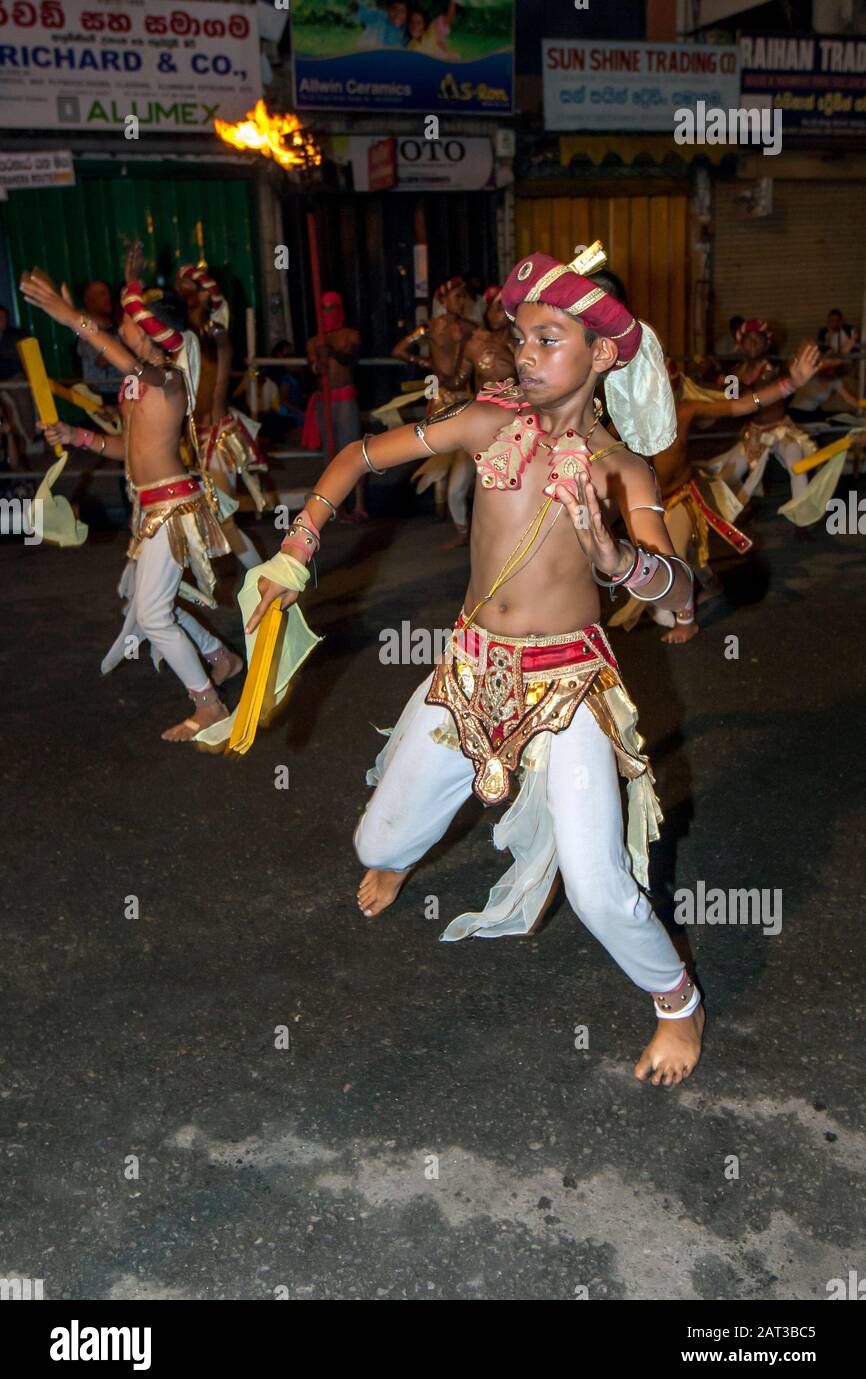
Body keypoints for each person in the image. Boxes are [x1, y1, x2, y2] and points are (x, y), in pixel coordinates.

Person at [246, 242, 707, 1087]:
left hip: (567, 687)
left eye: (548, 340)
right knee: (373, 843)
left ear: (603, 353)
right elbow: (355, 459)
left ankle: (677, 1003)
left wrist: (615, 557)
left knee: (598, 887)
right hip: (466, 668)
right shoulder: (487, 422)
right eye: (520, 338)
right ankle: (401, 849)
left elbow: (680, 598)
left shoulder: (621, 470)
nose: (525, 357)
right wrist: (297, 547)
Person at [20, 246, 242, 741]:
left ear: (150, 335)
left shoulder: (168, 380)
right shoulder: (135, 387)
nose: (119, 327)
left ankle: (209, 704)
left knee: (153, 614)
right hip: (150, 507)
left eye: (128, 323)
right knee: (142, 602)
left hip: (172, 508)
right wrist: (78, 438)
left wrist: (69, 316)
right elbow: (129, 448)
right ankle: (218, 656)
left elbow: (113, 351)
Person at [610, 344, 821, 643]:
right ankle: (712, 585)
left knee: (672, 554)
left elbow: (745, 404)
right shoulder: (625, 419)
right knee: (695, 559)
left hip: (683, 496)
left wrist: (792, 383)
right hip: (649, 503)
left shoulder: (685, 412)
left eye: (665, 386)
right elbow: (596, 443)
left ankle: (687, 622)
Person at [175, 262, 265, 569]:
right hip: (189, 440)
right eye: (183, 291)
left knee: (225, 521)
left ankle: (266, 584)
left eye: (193, 291)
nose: (187, 295)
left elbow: (215, 305)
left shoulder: (216, 334)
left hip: (217, 439)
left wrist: (197, 281)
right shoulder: (177, 338)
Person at [393, 275, 476, 546]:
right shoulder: (429, 327)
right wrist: (425, 362)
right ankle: (443, 507)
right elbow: (400, 349)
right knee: (440, 452)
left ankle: (460, 519)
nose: (461, 302)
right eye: (456, 297)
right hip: (441, 398)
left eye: (463, 297)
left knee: (464, 456)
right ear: (443, 300)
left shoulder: (472, 328)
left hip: (465, 396)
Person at [705, 318, 816, 505]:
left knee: (797, 466)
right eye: (749, 339)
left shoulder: (775, 368)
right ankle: (735, 512)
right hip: (754, 434)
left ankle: (803, 517)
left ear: (767, 343)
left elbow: (759, 394)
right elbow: (734, 402)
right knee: (727, 475)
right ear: (741, 344)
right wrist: (714, 377)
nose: (754, 342)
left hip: (781, 431)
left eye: (759, 338)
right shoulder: (737, 373)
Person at [302, 291, 366, 522]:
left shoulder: (350, 335)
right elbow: (312, 368)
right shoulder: (314, 341)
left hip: (345, 397)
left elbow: (351, 359)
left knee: (353, 450)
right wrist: (318, 364)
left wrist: (333, 352)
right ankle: (337, 507)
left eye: (332, 307)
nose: (328, 312)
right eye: (324, 308)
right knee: (330, 455)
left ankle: (359, 504)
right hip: (325, 400)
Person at [465, 285, 516, 392]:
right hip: (482, 407)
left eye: (499, 307)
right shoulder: (476, 344)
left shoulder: (520, 346)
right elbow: (457, 383)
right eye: (489, 308)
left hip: (511, 407)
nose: (492, 313)